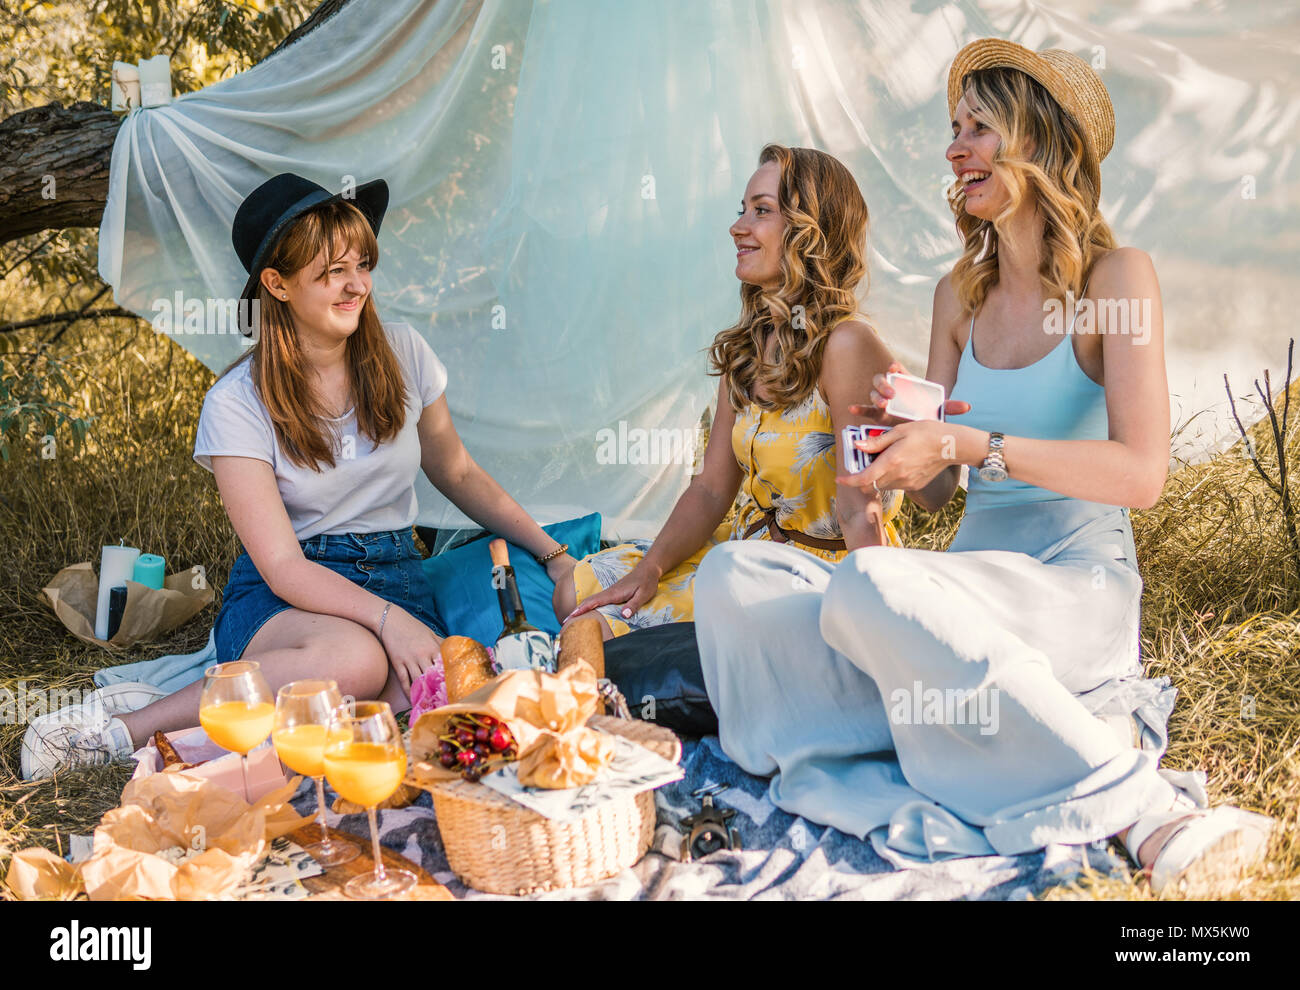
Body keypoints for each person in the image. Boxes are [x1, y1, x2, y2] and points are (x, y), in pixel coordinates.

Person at [693, 41, 1273, 894]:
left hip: (1076, 586)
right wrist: (901, 446)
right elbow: (935, 492)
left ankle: (1145, 809)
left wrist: (973, 445)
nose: (954, 148)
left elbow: (1143, 475)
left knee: (870, 589)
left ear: (1039, 143)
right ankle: (945, 752)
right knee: (733, 577)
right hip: (963, 590)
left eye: (978, 128)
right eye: (953, 129)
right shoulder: (956, 297)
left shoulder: (1118, 278)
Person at [23, 173, 577, 780]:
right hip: (287, 592)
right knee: (356, 664)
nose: (357, 285)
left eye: (362, 264)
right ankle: (122, 729)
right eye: (332, 272)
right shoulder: (237, 402)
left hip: (397, 573)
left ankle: (234, 699)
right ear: (277, 284)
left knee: (408, 704)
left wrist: (554, 553)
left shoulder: (405, 353)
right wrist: (388, 623)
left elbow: (459, 471)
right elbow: (283, 566)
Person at [556, 143, 915, 641]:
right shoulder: (750, 344)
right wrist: (652, 569)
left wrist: (881, 631)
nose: (738, 226)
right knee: (571, 595)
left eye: (762, 211)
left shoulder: (847, 344)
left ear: (810, 230)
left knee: (593, 631)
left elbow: (860, 509)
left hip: (815, 567)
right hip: (745, 545)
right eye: (742, 210)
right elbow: (710, 487)